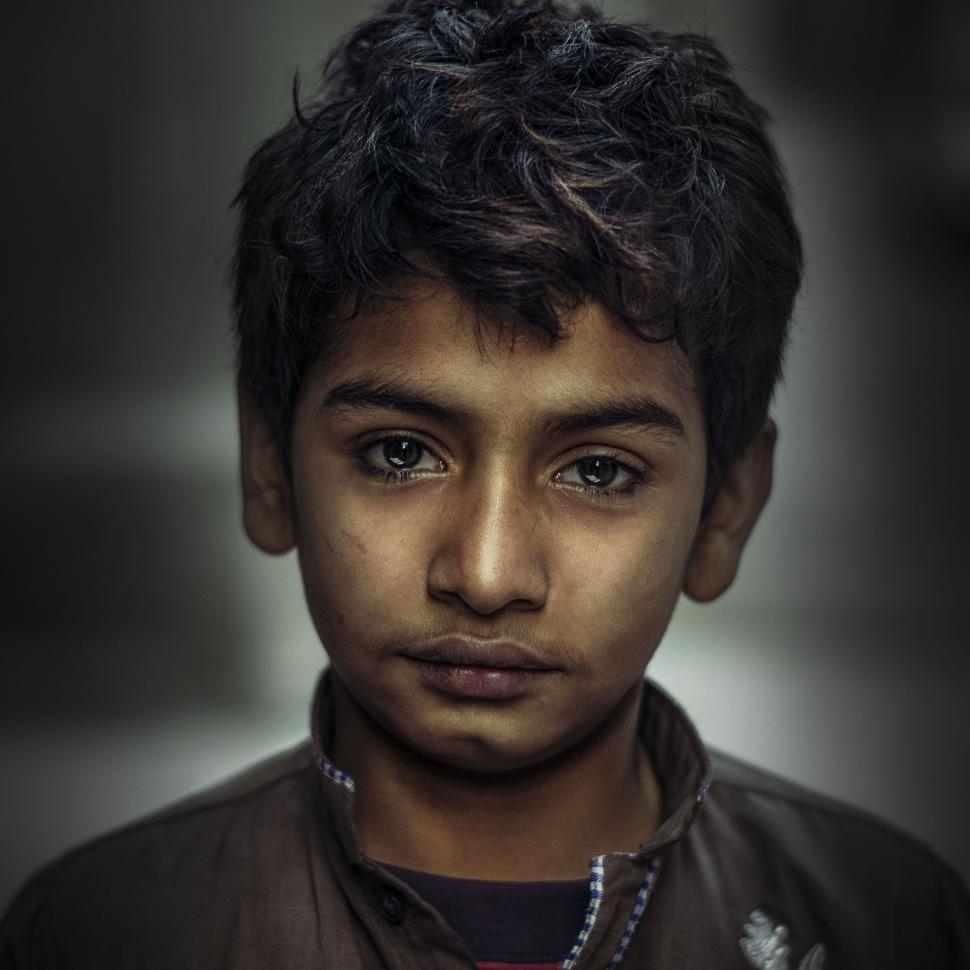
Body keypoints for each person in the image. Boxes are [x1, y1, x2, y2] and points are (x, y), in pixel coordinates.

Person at [2, 0, 968, 967]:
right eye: (399, 454)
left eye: (599, 470)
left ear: (725, 510)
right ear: (269, 468)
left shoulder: (882, 925)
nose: (488, 573)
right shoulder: (108, 933)